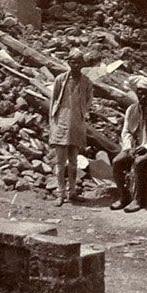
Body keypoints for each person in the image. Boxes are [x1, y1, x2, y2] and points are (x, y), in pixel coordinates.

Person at [49, 47, 93, 206]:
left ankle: (72, 192)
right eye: (73, 62)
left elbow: (88, 101)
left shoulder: (86, 82)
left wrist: (80, 113)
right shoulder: (61, 80)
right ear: (68, 62)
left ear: (83, 64)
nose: (76, 65)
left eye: (79, 62)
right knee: (60, 162)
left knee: (73, 161)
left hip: (76, 124)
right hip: (61, 123)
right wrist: (53, 124)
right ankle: (60, 193)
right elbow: (53, 102)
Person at [110, 75, 147, 212]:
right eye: (140, 93)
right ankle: (124, 196)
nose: (143, 97)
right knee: (117, 162)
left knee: (139, 162)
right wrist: (128, 147)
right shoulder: (131, 110)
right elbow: (126, 131)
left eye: (146, 94)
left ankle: (138, 200)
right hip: (132, 149)